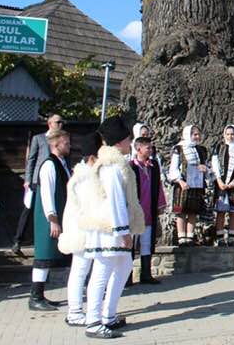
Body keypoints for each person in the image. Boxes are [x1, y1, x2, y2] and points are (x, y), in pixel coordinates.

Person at [81, 116, 145, 339]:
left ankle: (108, 315)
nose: (130, 143)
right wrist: (123, 231)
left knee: (124, 266)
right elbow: (115, 201)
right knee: (101, 272)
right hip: (108, 229)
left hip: (114, 228)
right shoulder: (110, 166)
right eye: (128, 139)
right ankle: (93, 322)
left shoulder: (117, 165)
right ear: (119, 141)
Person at [58, 132, 102, 326]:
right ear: (92, 156)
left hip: (86, 229)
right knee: (80, 270)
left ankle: (84, 310)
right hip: (82, 230)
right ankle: (75, 311)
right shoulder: (84, 177)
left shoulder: (84, 174)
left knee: (82, 270)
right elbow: (90, 205)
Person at [30, 127, 71, 311]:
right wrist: (52, 219)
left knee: (48, 255)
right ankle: (35, 297)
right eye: (65, 143)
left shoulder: (61, 163)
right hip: (48, 218)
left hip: (57, 216)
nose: (69, 146)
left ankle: (40, 295)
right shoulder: (49, 165)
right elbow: (46, 194)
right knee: (43, 256)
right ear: (55, 144)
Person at [12, 114, 61, 256]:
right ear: (50, 123)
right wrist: (27, 179)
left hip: (54, 179)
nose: (60, 124)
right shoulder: (39, 139)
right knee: (28, 210)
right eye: (58, 122)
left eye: (62, 122)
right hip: (36, 180)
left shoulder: (62, 140)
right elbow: (31, 160)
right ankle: (18, 240)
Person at [130, 135, 166, 284]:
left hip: (149, 210)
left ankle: (146, 274)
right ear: (139, 149)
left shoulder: (154, 165)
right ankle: (128, 276)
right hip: (135, 212)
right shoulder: (131, 166)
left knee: (146, 242)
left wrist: (160, 204)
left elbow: (159, 185)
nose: (150, 150)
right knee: (132, 243)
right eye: (148, 147)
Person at [168, 124, 210, 246]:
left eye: (198, 134)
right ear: (188, 135)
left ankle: (190, 237)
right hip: (182, 184)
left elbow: (207, 166)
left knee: (193, 211)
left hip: (196, 184)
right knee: (180, 211)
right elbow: (173, 168)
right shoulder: (179, 149)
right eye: (194, 134)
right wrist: (180, 181)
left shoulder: (202, 150)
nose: (197, 137)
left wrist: (205, 169)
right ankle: (182, 237)